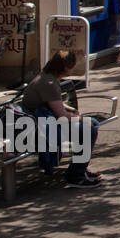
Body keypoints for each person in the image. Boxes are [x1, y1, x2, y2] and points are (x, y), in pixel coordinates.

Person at [21, 50, 102, 188]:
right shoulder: (49, 83)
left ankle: (80, 167)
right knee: (89, 129)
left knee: (92, 124)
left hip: (41, 120)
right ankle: (75, 175)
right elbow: (62, 116)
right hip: (39, 127)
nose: (74, 68)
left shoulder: (46, 76)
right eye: (73, 65)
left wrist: (70, 109)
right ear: (65, 67)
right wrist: (79, 118)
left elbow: (52, 101)